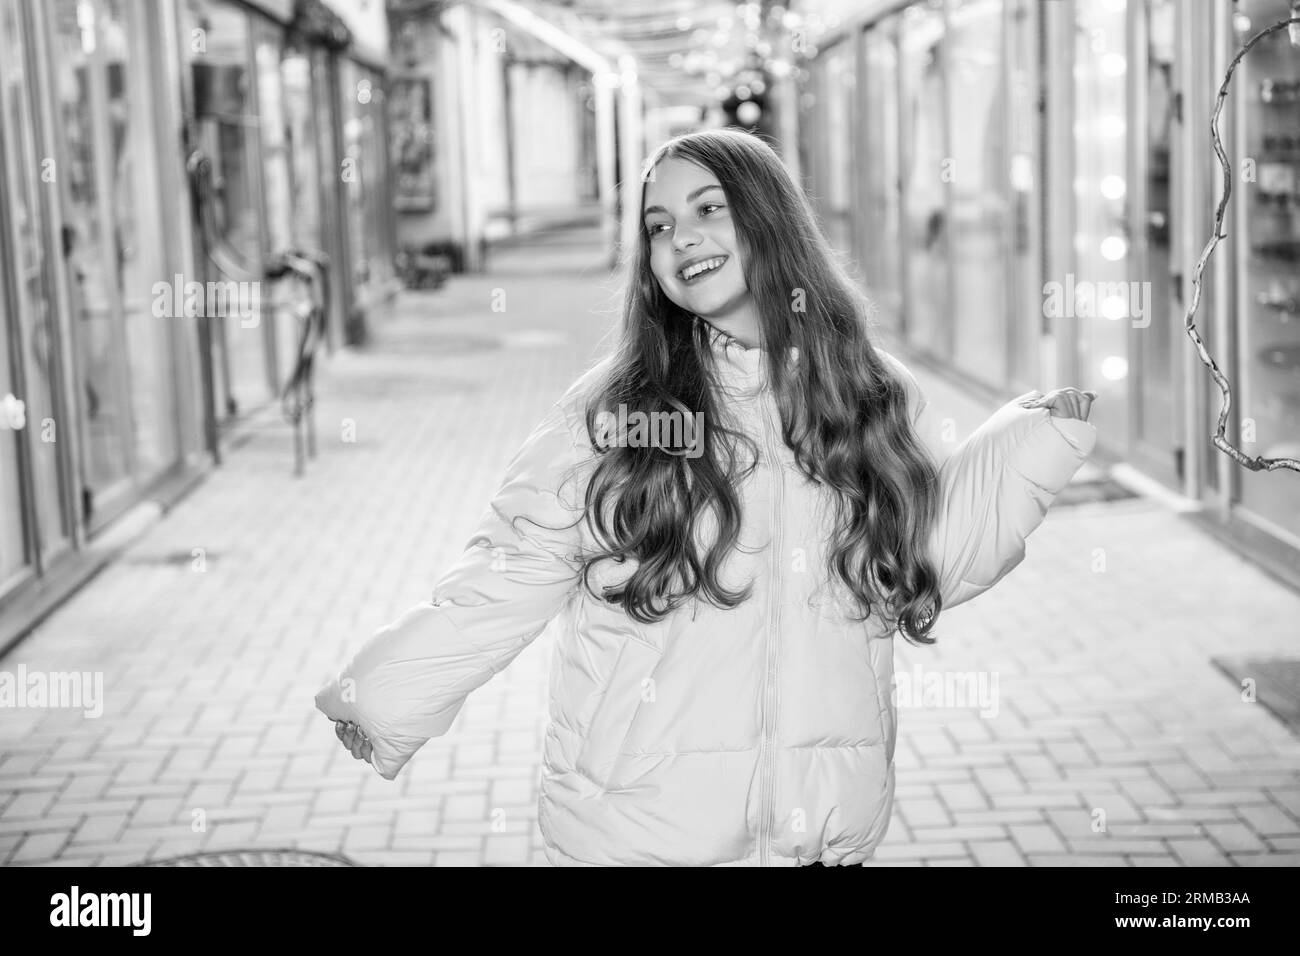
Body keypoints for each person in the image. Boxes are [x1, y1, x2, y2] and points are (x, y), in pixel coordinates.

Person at [316, 128, 1097, 867]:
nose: (680, 238)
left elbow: (920, 563)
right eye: (658, 226)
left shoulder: (871, 391)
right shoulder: (618, 410)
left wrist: (1026, 454)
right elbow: (513, 567)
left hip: (815, 836)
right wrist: (387, 692)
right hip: (639, 834)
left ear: (770, 220)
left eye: (707, 210)